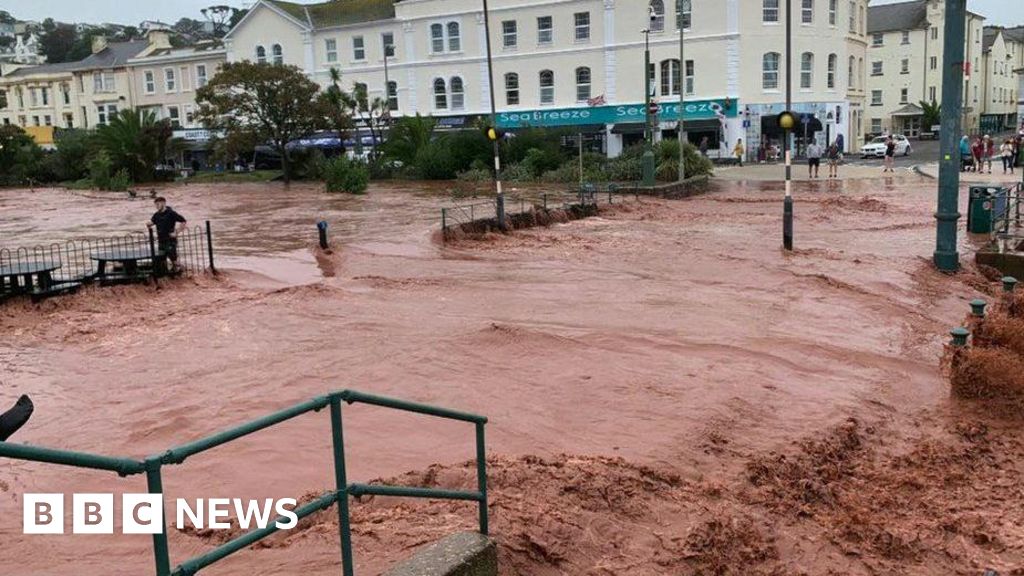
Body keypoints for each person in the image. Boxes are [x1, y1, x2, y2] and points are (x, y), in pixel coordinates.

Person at [147, 197, 188, 273]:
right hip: (161, 240)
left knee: (173, 259)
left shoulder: (171, 213)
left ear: (163, 203)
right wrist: (149, 224)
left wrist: (176, 232)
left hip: (170, 240)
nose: (157, 206)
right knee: (161, 259)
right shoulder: (156, 215)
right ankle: (166, 273)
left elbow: (183, 221)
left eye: (158, 204)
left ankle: (179, 272)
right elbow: (152, 222)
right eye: (155, 205)